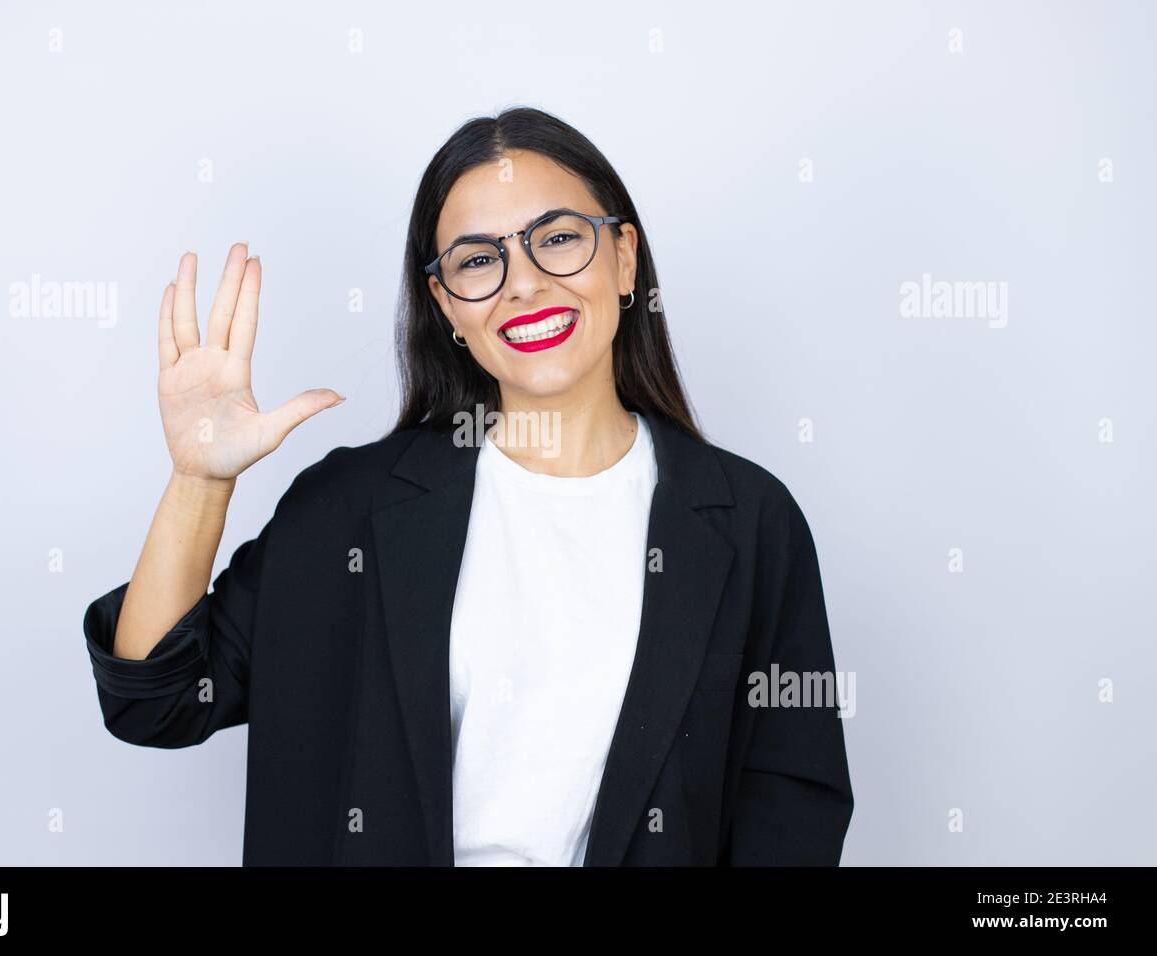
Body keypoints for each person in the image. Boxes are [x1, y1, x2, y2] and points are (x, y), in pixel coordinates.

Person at [82, 106, 853, 866]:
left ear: (624, 259)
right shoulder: (351, 507)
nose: (523, 284)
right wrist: (198, 481)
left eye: (557, 239)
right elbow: (154, 699)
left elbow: (790, 805)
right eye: (479, 260)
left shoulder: (748, 523)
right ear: (448, 304)